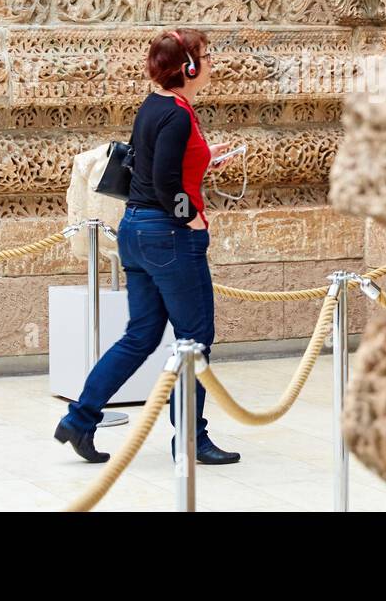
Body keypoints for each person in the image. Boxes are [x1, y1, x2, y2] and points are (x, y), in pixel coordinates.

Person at [54, 28, 240, 465]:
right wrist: (188, 217)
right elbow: (165, 181)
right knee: (195, 339)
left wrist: (207, 156)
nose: (211, 63)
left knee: (140, 336)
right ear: (188, 68)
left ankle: (80, 419)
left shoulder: (155, 106)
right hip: (169, 237)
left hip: (137, 232)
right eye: (205, 57)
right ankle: (191, 439)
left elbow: (156, 162)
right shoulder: (177, 114)